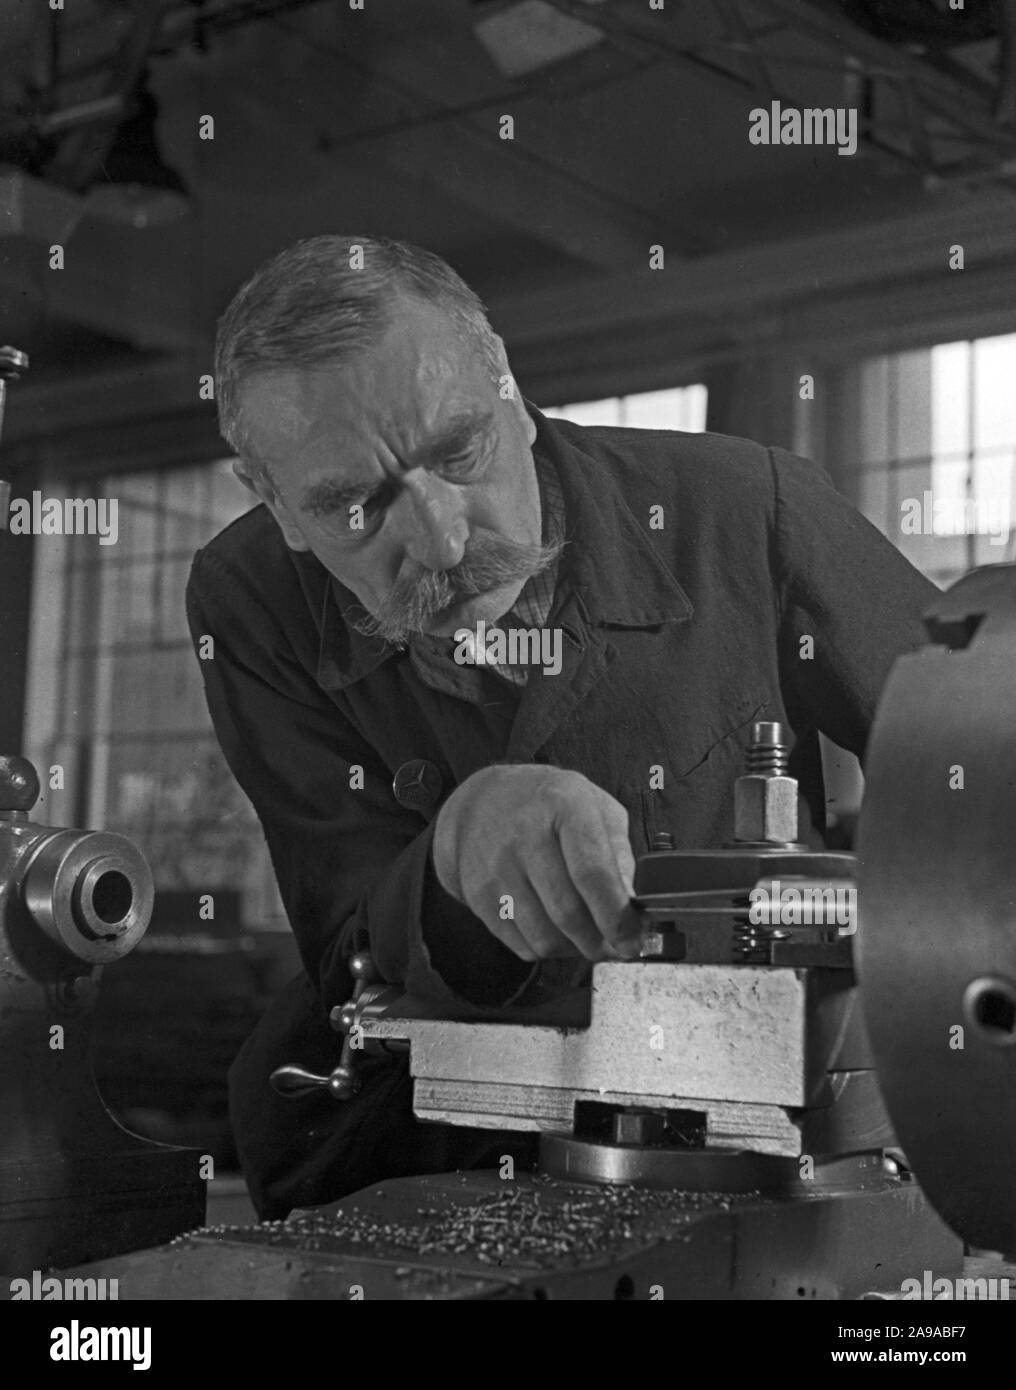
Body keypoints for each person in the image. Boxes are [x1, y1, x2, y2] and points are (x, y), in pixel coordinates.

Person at [186, 234, 936, 1218]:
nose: (443, 541)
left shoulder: (744, 511)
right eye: (352, 507)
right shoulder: (249, 599)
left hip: (752, 1129)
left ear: (509, 388)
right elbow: (347, 936)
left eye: (460, 450)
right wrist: (455, 859)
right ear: (273, 503)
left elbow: (980, 756)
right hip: (433, 1136)